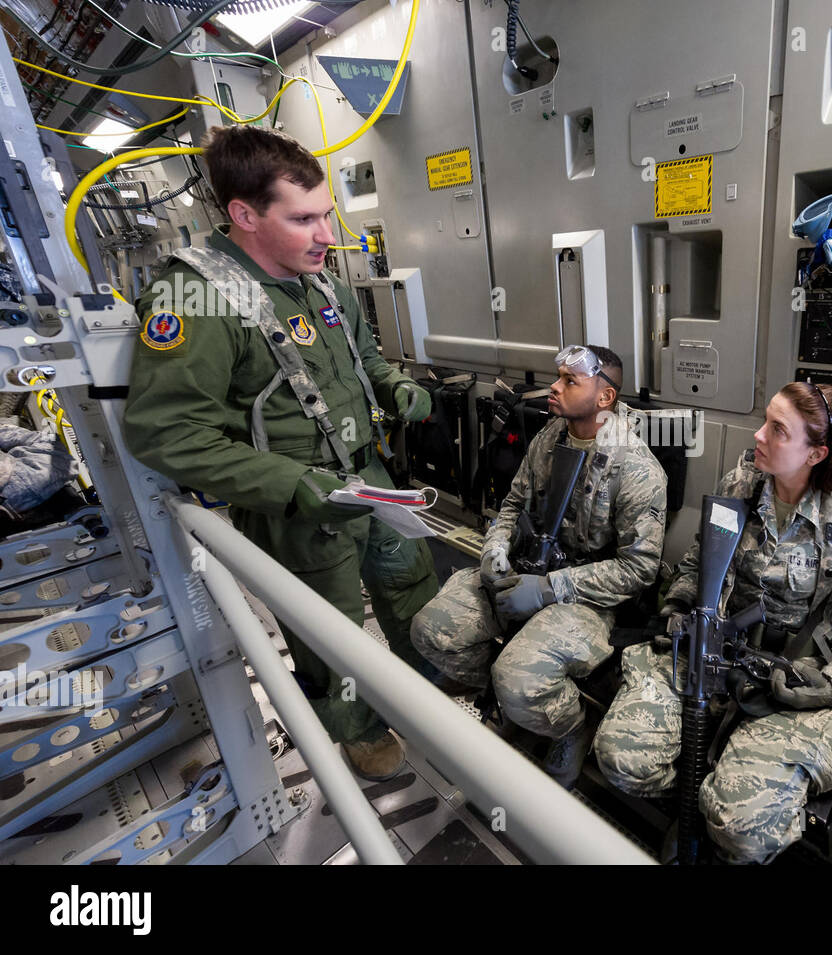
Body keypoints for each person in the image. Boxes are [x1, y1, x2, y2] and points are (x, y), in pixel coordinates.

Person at [122, 126, 439, 781]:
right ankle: (355, 727)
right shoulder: (194, 297)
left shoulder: (320, 280)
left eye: (327, 215)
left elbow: (365, 357)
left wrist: (397, 385)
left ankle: (430, 697)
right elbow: (166, 434)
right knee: (330, 631)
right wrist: (292, 484)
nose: (328, 234)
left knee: (412, 585)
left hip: (370, 479)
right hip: (294, 502)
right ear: (245, 216)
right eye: (304, 219)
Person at [594, 382, 832, 863]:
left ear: (816, 453)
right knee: (621, 757)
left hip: (793, 679)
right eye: (764, 420)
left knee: (741, 830)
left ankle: (720, 813)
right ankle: (695, 801)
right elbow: (702, 561)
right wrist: (678, 607)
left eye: (777, 430)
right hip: (713, 648)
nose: (758, 435)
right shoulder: (740, 485)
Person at [412, 345, 667, 788]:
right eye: (559, 377)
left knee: (518, 680)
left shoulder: (638, 468)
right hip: (526, 565)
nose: (554, 386)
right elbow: (511, 505)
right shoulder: (551, 437)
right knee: (432, 629)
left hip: (587, 594)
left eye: (571, 381)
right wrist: (494, 550)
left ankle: (570, 724)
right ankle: (509, 697)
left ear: (605, 398)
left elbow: (637, 570)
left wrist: (551, 588)